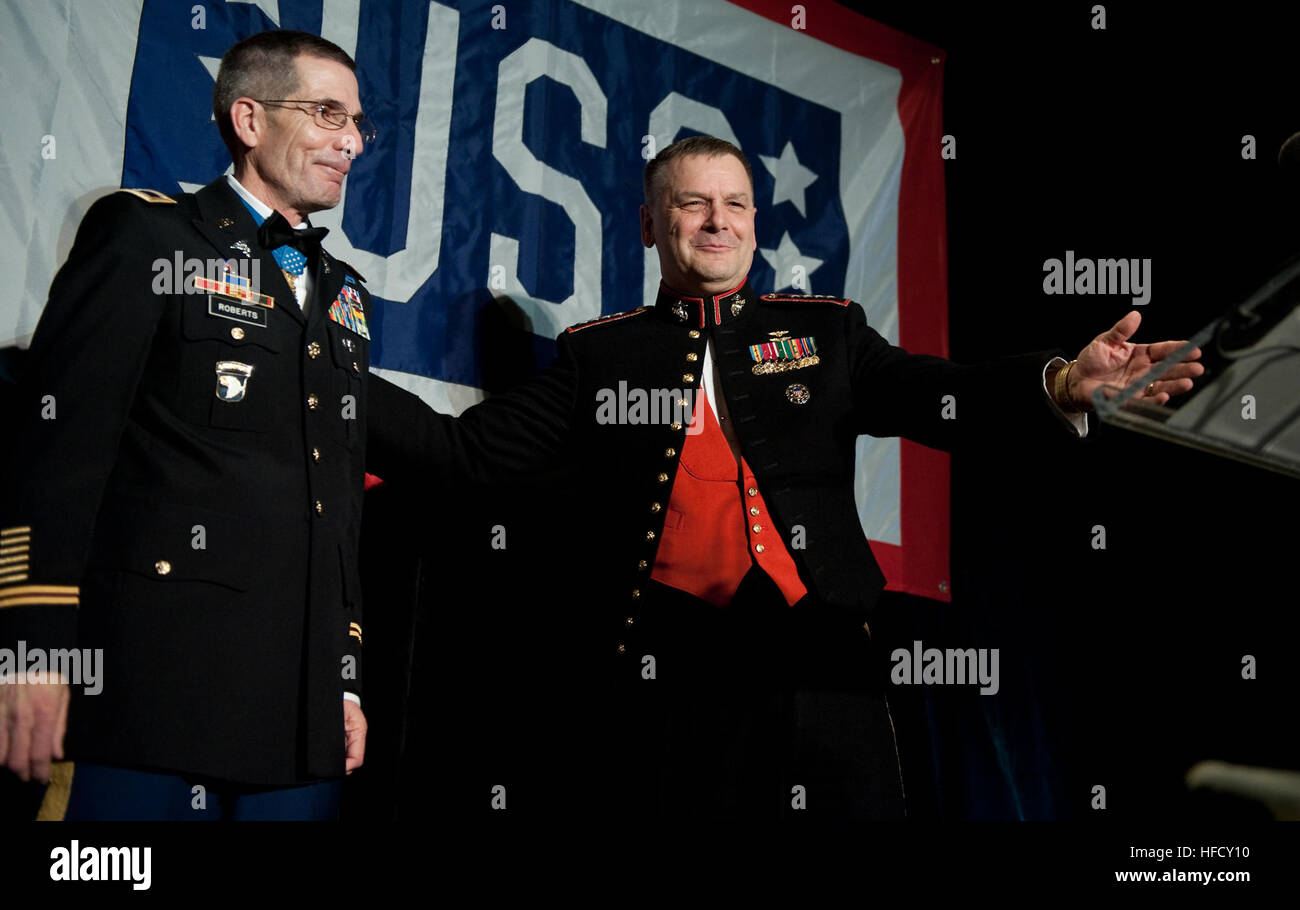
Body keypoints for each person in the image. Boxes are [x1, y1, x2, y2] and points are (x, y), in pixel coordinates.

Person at [366, 135, 1205, 818]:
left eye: (735, 204)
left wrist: (1062, 383)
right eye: (693, 204)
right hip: (672, 681)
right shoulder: (600, 355)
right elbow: (460, 455)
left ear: (757, 225)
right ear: (651, 224)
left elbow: (943, 397)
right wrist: (328, 379)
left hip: (825, 668)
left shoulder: (829, 334)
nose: (717, 222)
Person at [0, 30, 382, 819]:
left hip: (299, 711)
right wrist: (30, 650)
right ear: (249, 118)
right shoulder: (147, 235)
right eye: (326, 113)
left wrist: (341, 673)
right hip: (149, 691)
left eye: (357, 123)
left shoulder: (345, 295)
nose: (351, 140)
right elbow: (57, 449)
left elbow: (337, 504)